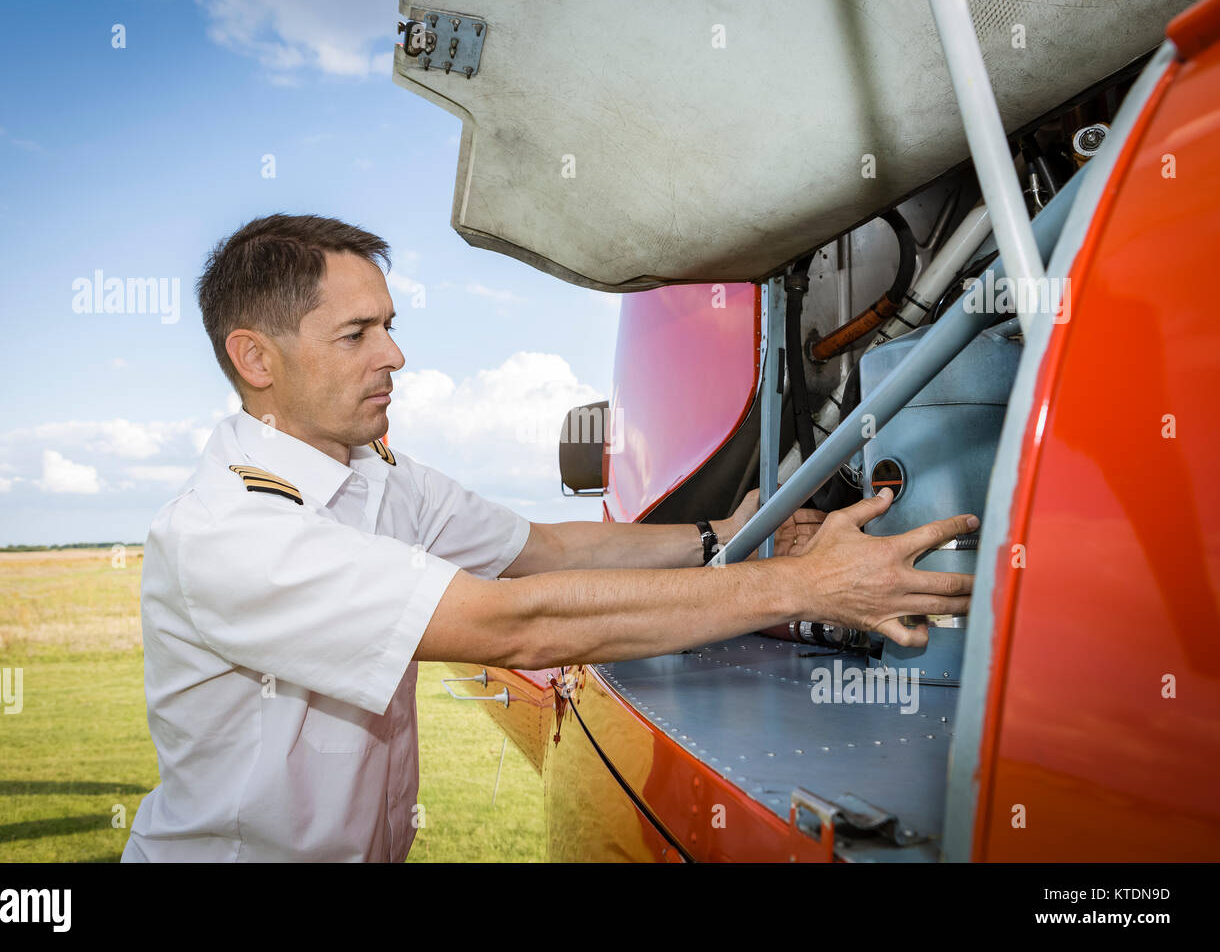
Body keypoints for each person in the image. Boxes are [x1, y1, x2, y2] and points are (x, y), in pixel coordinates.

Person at [121, 214, 975, 862]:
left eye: (389, 323)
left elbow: (547, 551)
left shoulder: (376, 474)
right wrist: (804, 588)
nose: (397, 356)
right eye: (357, 334)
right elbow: (512, 625)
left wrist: (732, 533)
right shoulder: (233, 530)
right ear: (256, 358)